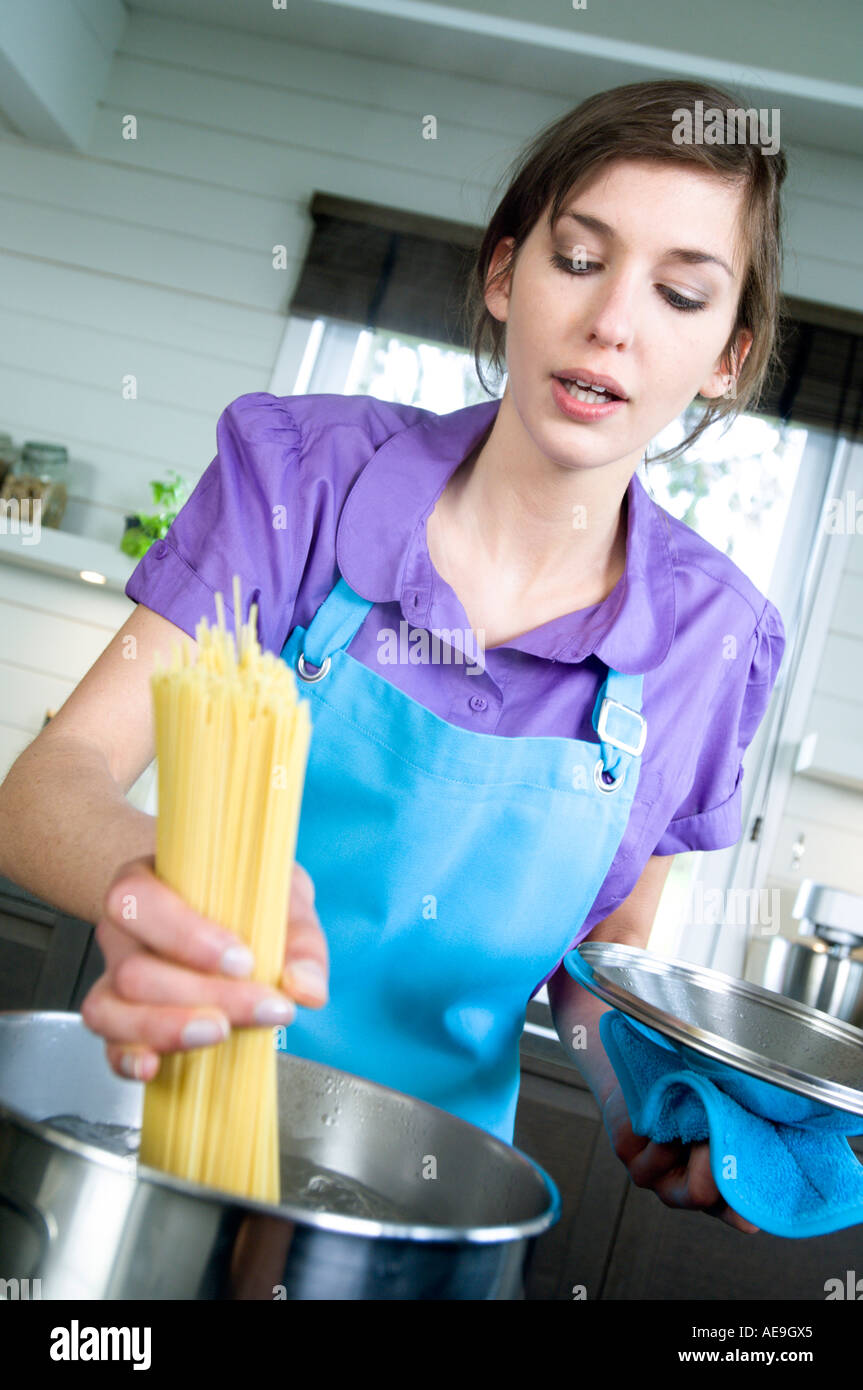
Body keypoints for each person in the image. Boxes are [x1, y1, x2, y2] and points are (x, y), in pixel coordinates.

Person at [0, 79, 787, 1236]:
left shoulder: (714, 641)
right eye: (577, 260)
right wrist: (178, 891)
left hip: (423, 1212)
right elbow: (47, 786)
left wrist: (651, 1100)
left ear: (728, 354)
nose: (613, 322)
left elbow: (604, 955)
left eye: (678, 293)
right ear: (503, 275)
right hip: (156, 1147)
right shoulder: (297, 479)